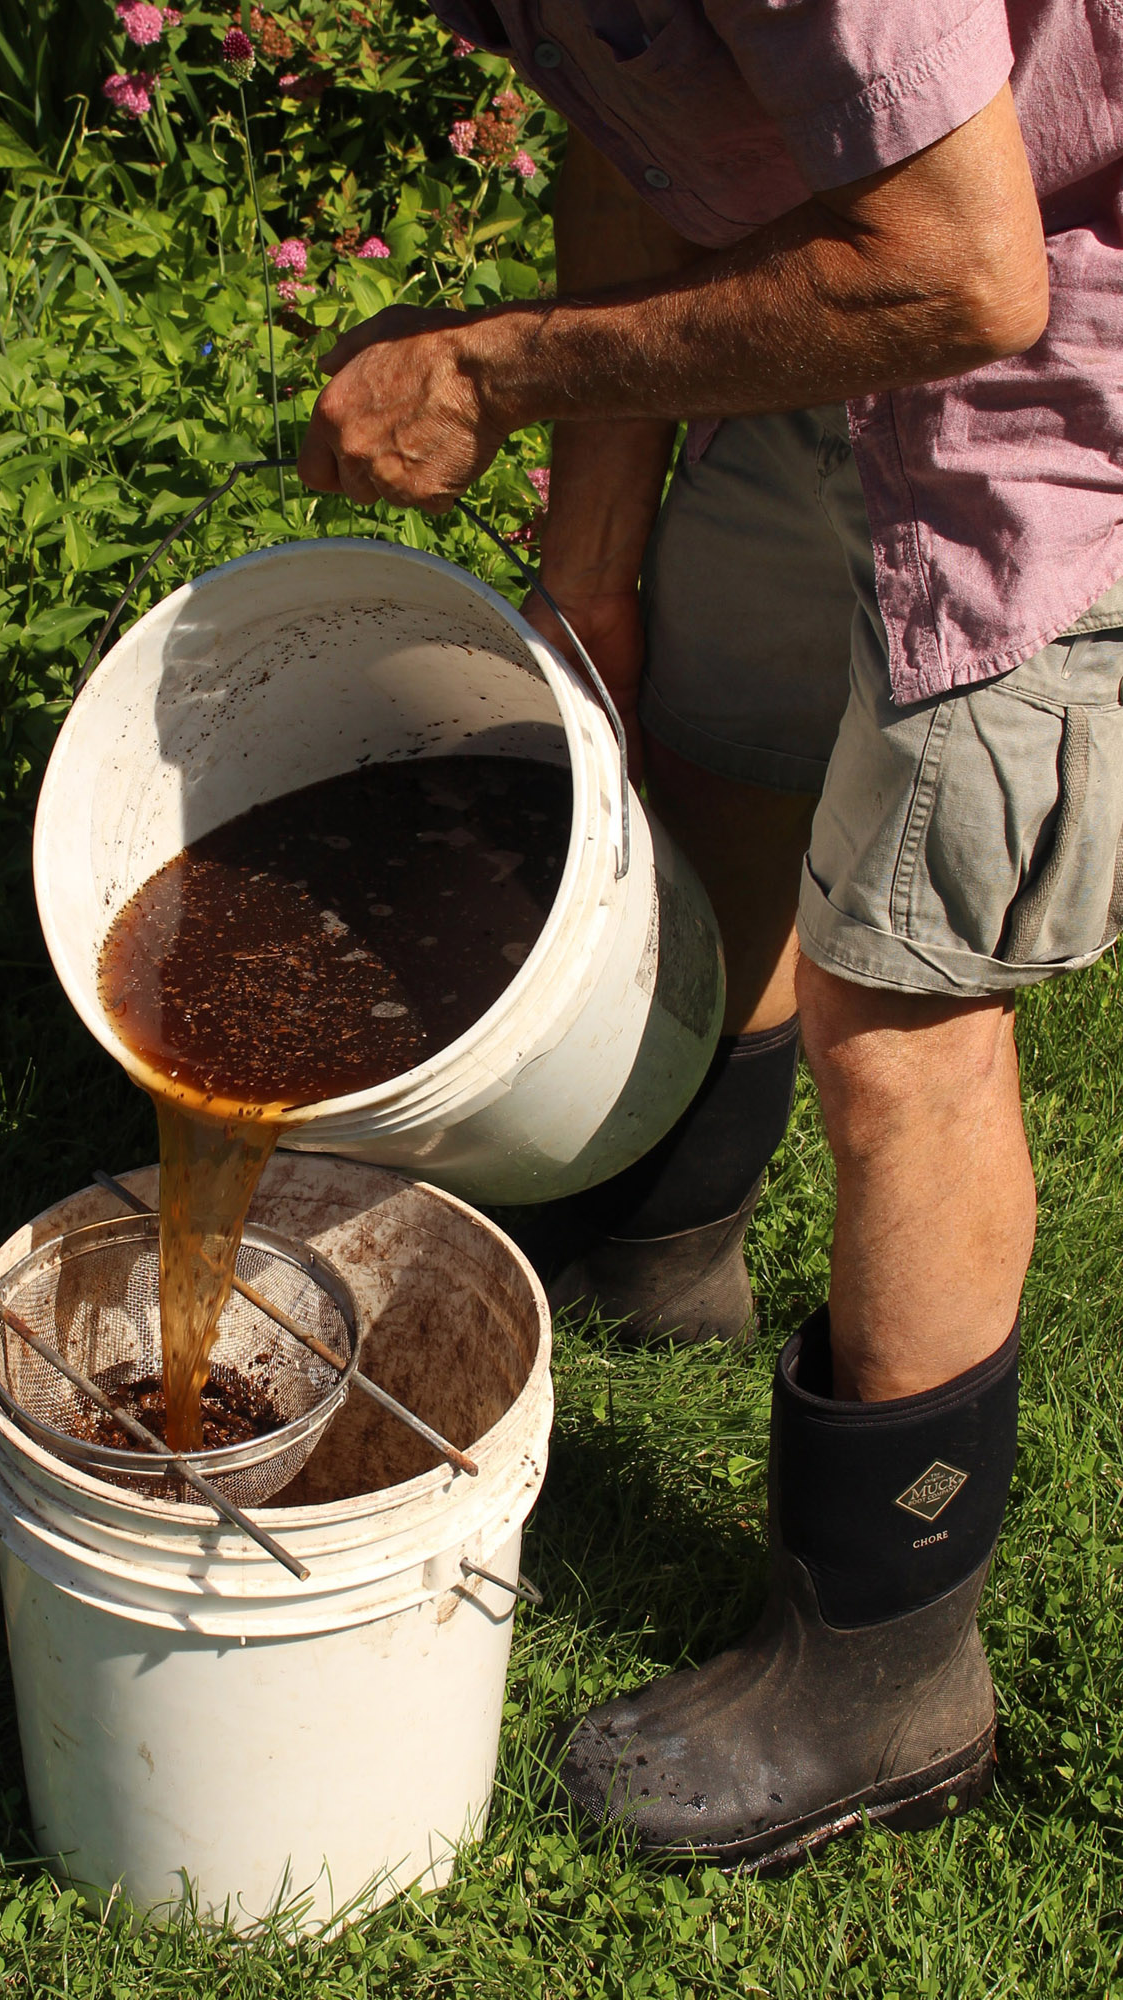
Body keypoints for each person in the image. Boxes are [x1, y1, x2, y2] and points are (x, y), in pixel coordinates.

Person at [297, 0, 1123, 1870]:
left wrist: (490, 373)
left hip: (1048, 353)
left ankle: (889, 1662)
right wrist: (594, 573)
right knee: (723, 757)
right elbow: (637, 127)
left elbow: (971, 274)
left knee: (899, 1013)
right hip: (824, 296)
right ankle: (669, 1243)